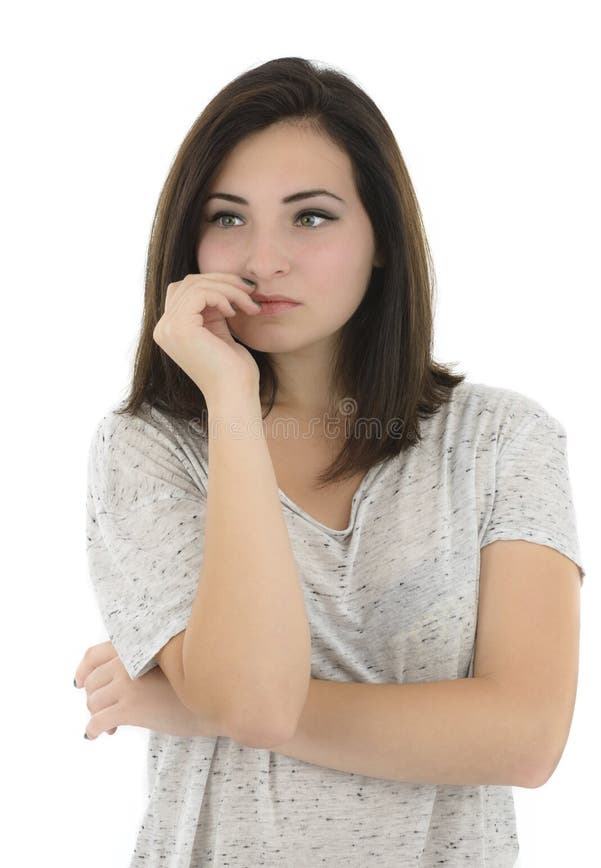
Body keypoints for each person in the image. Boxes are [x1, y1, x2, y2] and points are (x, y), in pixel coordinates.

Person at [81, 56, 584, 867]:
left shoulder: (500, 440)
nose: (262, 259)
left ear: (381, 238)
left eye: (309, 217)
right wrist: (233, 408)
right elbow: (251, 695)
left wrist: (203, 709)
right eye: (228, 217)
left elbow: (525, 740)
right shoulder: (150, 449)